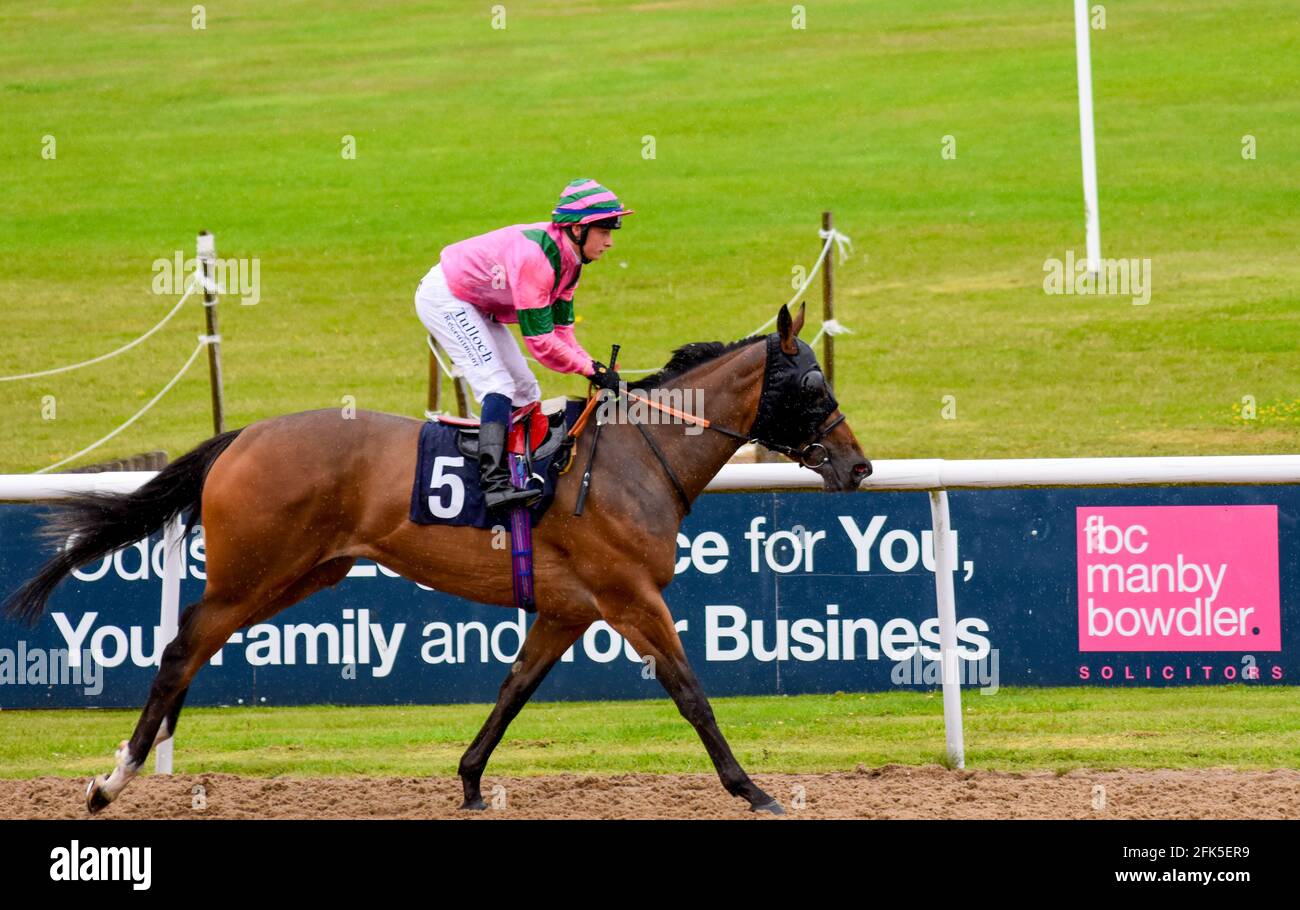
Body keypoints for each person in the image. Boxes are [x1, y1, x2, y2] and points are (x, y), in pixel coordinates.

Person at [415, 179, 631, 510]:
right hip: (447, 297)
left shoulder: (570, 263)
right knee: (497, 384)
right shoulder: (538, 260)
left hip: (477, 302)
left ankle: (521, 473)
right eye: (603, 231)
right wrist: (590, 369)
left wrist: (593, 367)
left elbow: (562, 333)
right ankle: (493, 484)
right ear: (576, 229)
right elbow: (541, 343)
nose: (609, 242)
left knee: (526, 389)